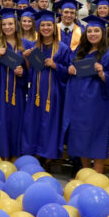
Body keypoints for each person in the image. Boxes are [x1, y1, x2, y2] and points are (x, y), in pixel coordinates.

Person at [63, 15, 109, 173]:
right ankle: (85, 173)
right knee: (81, 138)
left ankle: (97, 176)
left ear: (103, 33)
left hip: (97, 103)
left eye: (96, 31)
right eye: (89, 31)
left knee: (97, 139)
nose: (92, 34)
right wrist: (70, 69)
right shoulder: (80, 51)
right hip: (78, 102)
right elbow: (70, 68)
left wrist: (102, 73)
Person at [21, 9, 72, 165]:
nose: (46, 28)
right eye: (43, 25)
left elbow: (68, 72)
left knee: (50, 122)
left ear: (53, 27)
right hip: (36, 90)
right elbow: (29, 71)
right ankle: (33, 154)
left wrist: (55, 65)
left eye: (49, 25)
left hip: (54, 92)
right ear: (38, 27)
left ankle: (48, 156)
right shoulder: (34, 46)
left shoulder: (63, 48)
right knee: (33, 121)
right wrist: (26, 59)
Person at [0, 9, 29, 159]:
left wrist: (23, 73)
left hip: (17, 91)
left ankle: (14, 156)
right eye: (4, 24)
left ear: (16, 25)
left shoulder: (25, 44)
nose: (7, 27)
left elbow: (33, 72)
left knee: (15, 123)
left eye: (10, 24)